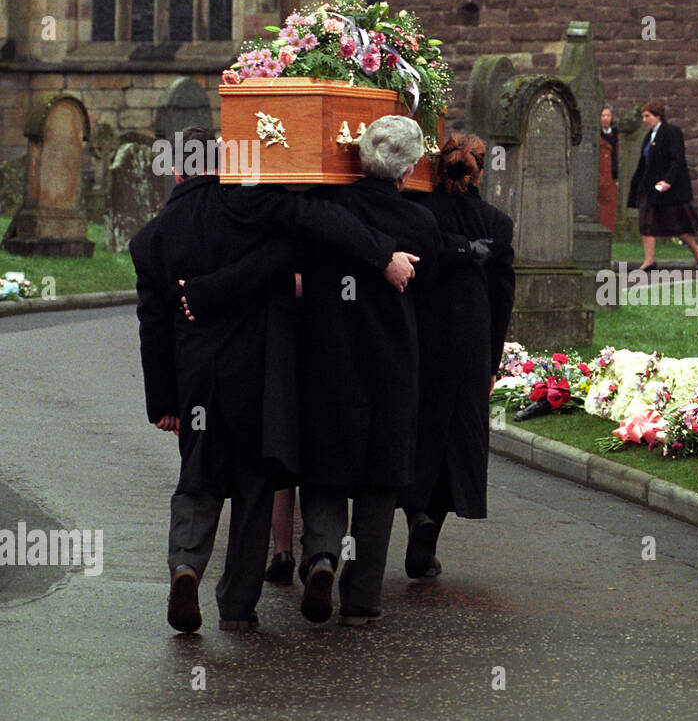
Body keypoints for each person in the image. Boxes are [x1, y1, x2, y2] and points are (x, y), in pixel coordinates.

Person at [130, 126, 415, 633]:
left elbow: (152, 326)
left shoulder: (151, 238)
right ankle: (238, 608)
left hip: (198, 378)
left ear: (175, 170)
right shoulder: (251, 204)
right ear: (225, 161)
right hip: (262, 370)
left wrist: (164, 403)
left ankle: (186, 564)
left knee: (198, 478)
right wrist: (381, 253)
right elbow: (316, 222)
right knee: (256, 483)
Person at [292, 116, 483, 626]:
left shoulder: (328, 207)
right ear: (410, 167)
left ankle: (325, 555)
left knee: (326, 472)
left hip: (330, 357)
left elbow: (303, 217)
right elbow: (430, 285)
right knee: (379, 485)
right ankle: (360, 600)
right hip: (392, 364)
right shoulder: (420, 224)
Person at [400, 132, 515, 578]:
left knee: (417, 433)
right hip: (469, 342)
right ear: (480, 171)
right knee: (455, 437)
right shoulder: (496, 223)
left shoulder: (417, 212)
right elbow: (502, 297)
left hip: (419, 341)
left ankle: (416, 516)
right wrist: (491, 360)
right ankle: (428, 532)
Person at [626, 99, 698, 271]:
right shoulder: (649, 136)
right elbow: (645, 163)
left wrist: (668, 181)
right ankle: (649, 261)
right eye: (643, 116)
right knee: (646, 225)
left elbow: (677, 160)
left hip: (669, 190)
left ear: (658, 115)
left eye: (647, 116)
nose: (644, 120)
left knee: (680, 228)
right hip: (650, 188)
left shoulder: (672, 132)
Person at [597, 106, 619, 233]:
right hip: (600, 176)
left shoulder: (615, 136)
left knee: (609, 211)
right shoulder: (597, 136)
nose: (605, 119)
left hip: (611, 178)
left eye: (608, 116)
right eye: (603, 116)